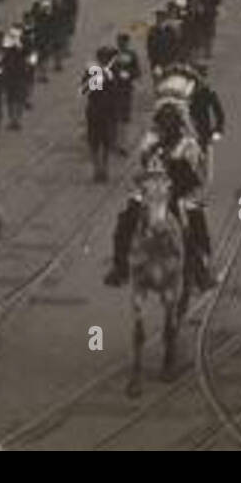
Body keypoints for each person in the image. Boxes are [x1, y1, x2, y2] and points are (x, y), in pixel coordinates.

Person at [104, 102, 215, 291]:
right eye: (163, 124)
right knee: (126, 218)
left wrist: (181, 185)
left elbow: (195, 173)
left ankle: (200, 269)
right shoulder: (150, 140)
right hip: (152, 190)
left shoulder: (188, 144)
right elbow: (144, 164)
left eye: (170, 124)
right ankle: (120, 266)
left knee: (194, 221)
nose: (166, 128)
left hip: (179, 192)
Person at [81, 46, 120, 182]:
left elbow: (119, 89)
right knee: (94, 141)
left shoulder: (114, 71)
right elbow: (85, 89)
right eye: (103, 57)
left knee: (107, 142)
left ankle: (104, 167)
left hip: (109, 110)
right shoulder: (93, 71)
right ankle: (97, 168)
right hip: (95, 109)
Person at [112, 32, 142, 125]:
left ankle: (124, 118)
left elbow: (137, 71)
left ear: (127, 43)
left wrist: (129, 74)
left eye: (123, 43)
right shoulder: (113, 54)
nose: (121, 45)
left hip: (126, 85)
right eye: (119, 42)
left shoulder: (132, 55)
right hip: (115, 85)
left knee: (125, 102)